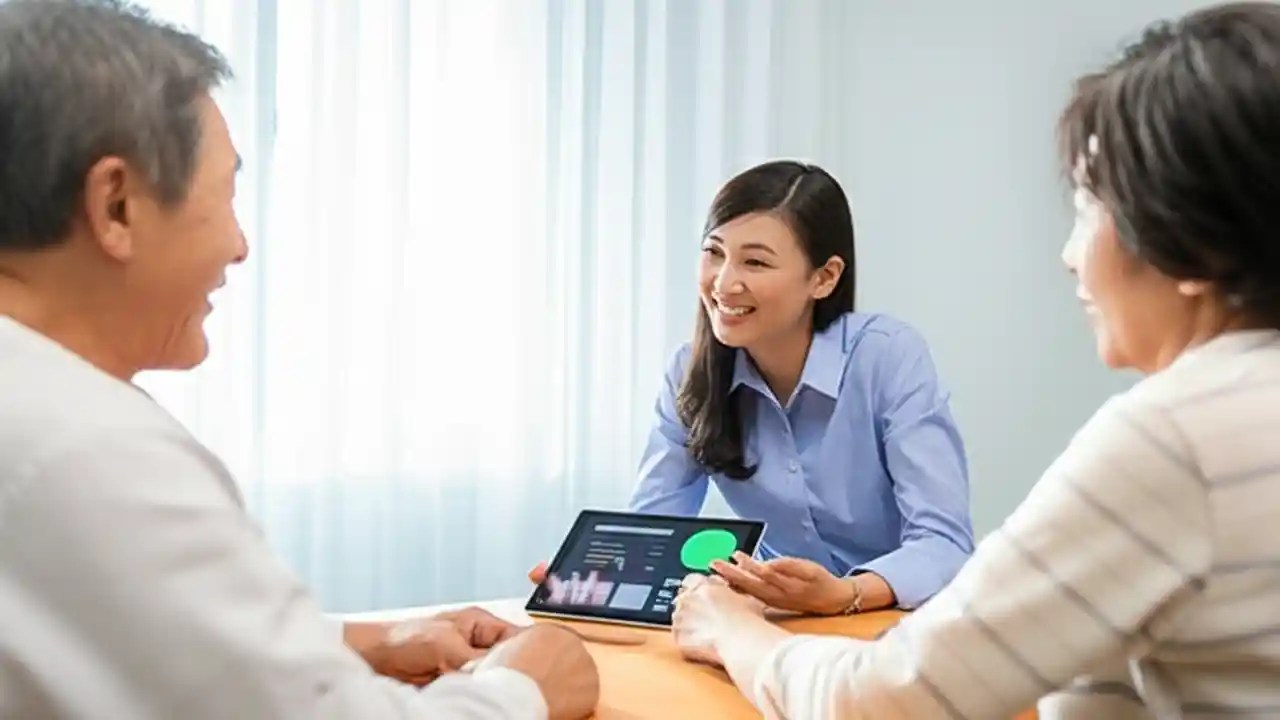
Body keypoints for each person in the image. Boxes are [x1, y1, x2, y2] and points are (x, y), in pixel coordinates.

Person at [671, 3, 1280, 718]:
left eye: (1087, 209)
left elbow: (884, 702)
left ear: (1190, 237)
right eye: (716, 254)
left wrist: (735, 632)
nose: (1069, 257)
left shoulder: (1179, 439)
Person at [0, 2, 597, 718]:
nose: (239, 245)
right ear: (117, 206)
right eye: (224, 196)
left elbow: (130, 630)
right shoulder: (88, 448)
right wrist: (523, 687)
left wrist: (370, 639)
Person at [534, 161, 974, 615]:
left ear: (824, 278)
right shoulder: (691, 374)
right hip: (780, 625)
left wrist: (846, 594)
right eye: (714, 252)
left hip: (901, 626)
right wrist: (589, 585)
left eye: (756, 262)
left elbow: (945, 543)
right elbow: (655, 529)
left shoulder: (888, 357)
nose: (724, 283)